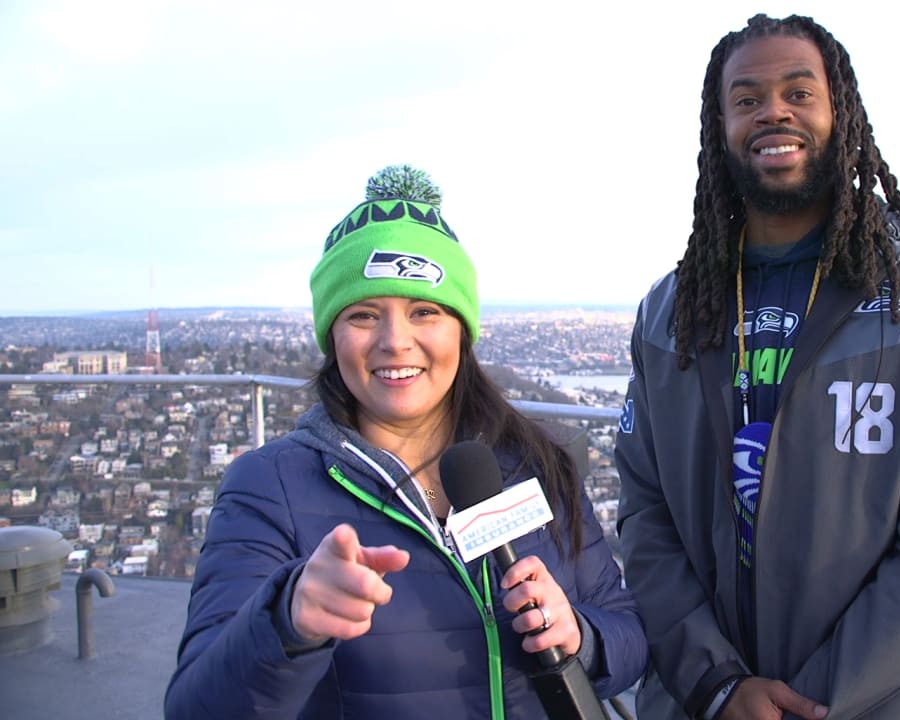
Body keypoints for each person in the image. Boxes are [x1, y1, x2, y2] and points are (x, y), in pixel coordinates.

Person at [615, 14, 900, 720]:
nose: (773, 112)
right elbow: (645, 519)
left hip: (874, 705)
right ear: (719, 129)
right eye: (746, 99)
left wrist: (811, 702)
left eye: (800, 92)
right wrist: (719, 686)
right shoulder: (668, 313)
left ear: (841, 113)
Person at [165, 165, 647, 719]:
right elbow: (195, 708)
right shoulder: (268, 488)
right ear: (332, 337)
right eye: (365, 315)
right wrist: (287, 622)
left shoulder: (533, 463)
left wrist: (580, 634)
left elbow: (628, 632)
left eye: (425, 312)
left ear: (461, 331)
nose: (396, 342)